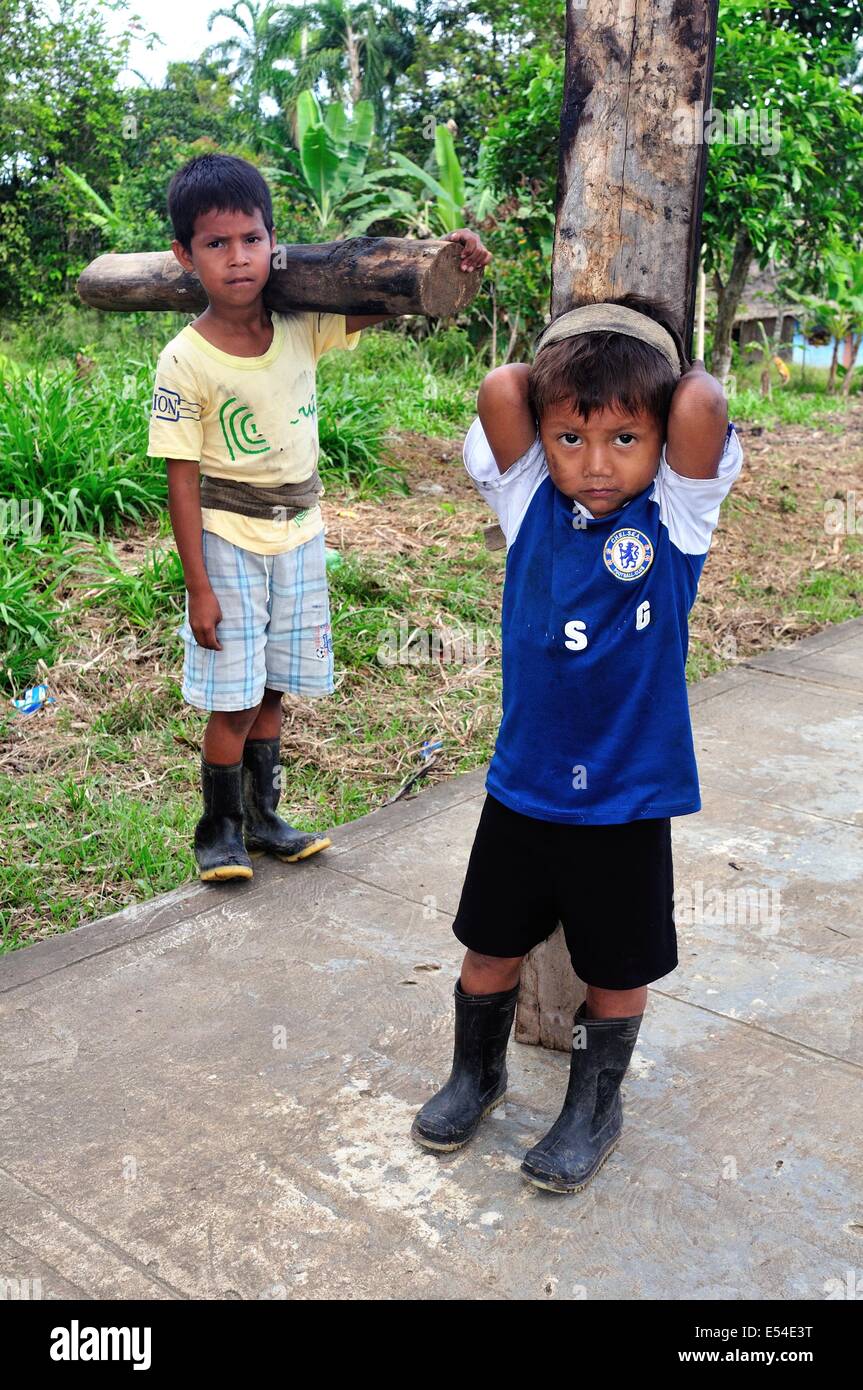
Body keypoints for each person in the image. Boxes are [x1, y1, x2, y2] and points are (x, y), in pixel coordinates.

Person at [411, 294, 743, 1193]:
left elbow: (701, 403)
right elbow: (504, 384)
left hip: (628, 796)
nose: (594, 464)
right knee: (487, 946)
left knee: (615, 964)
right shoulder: (527, 502)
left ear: (659, 443)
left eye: (624, 440)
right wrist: (579, 358)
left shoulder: (676, 519)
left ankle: (593, 1105)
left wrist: (652, 358)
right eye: (569, 439)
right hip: (523, 788)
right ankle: (474, 1074)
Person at [147, 152, 491, 881]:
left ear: (274, 241)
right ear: (185, 255)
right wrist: (198, 587)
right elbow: (180, 484)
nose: (237, 258)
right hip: (228, 540)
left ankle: (267, 817)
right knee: (233, 701)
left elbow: (389, 302)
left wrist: (448, 270)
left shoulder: (300, 325)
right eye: (215, 244)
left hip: (299, 535)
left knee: (273, 688)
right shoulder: (184, 361)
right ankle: (219, 830)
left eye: (250, 239)